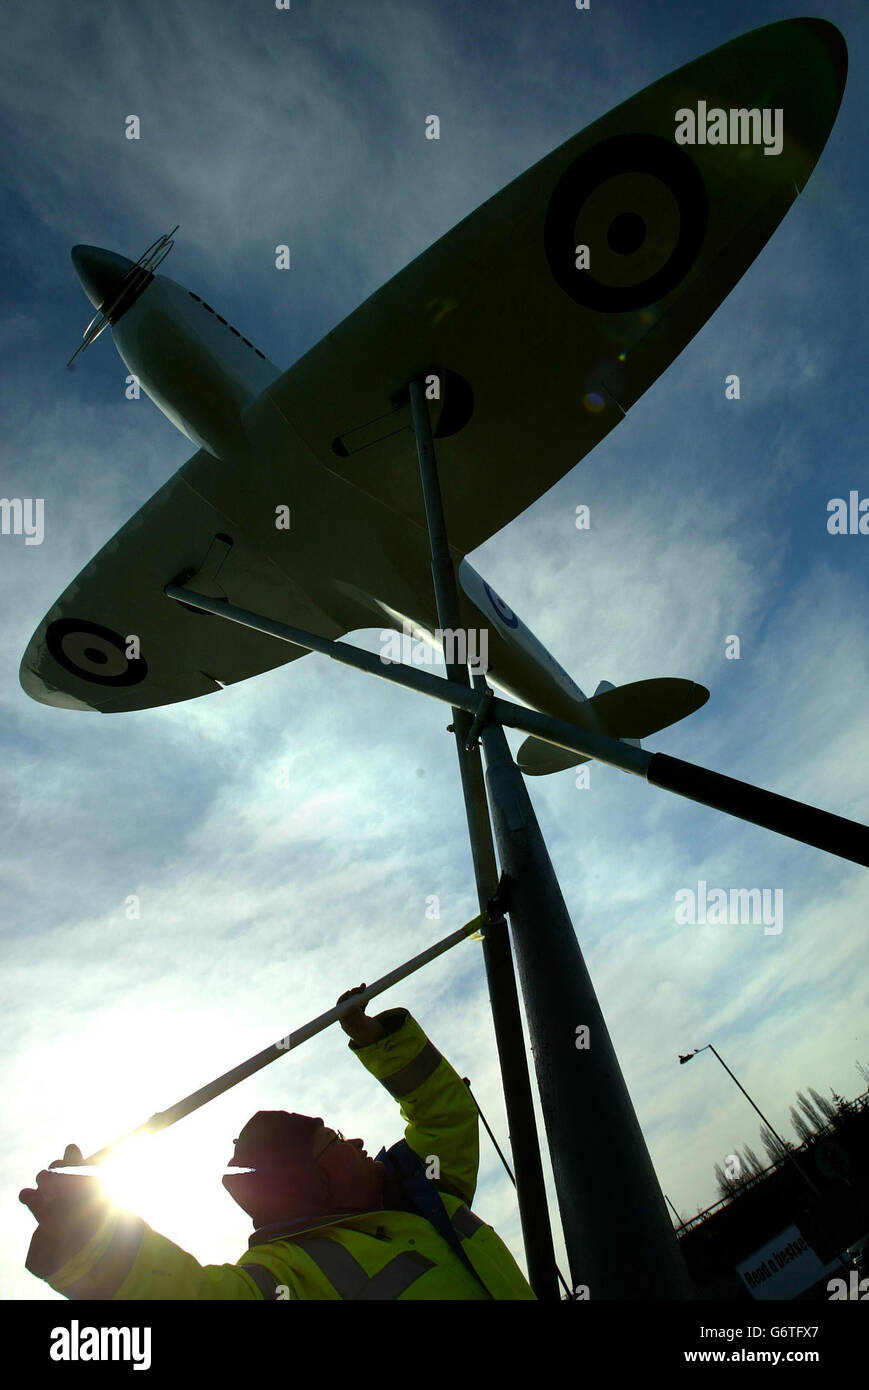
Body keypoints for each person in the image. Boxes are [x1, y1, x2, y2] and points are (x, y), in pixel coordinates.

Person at [20, 987, 536, 1300]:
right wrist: (83, 1227)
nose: (354, 1138)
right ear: (313, 1177)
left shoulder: (422, 1194)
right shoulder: (293, 1270)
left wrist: (379, 1037)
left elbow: (445, 1115)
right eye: (333, 1139)